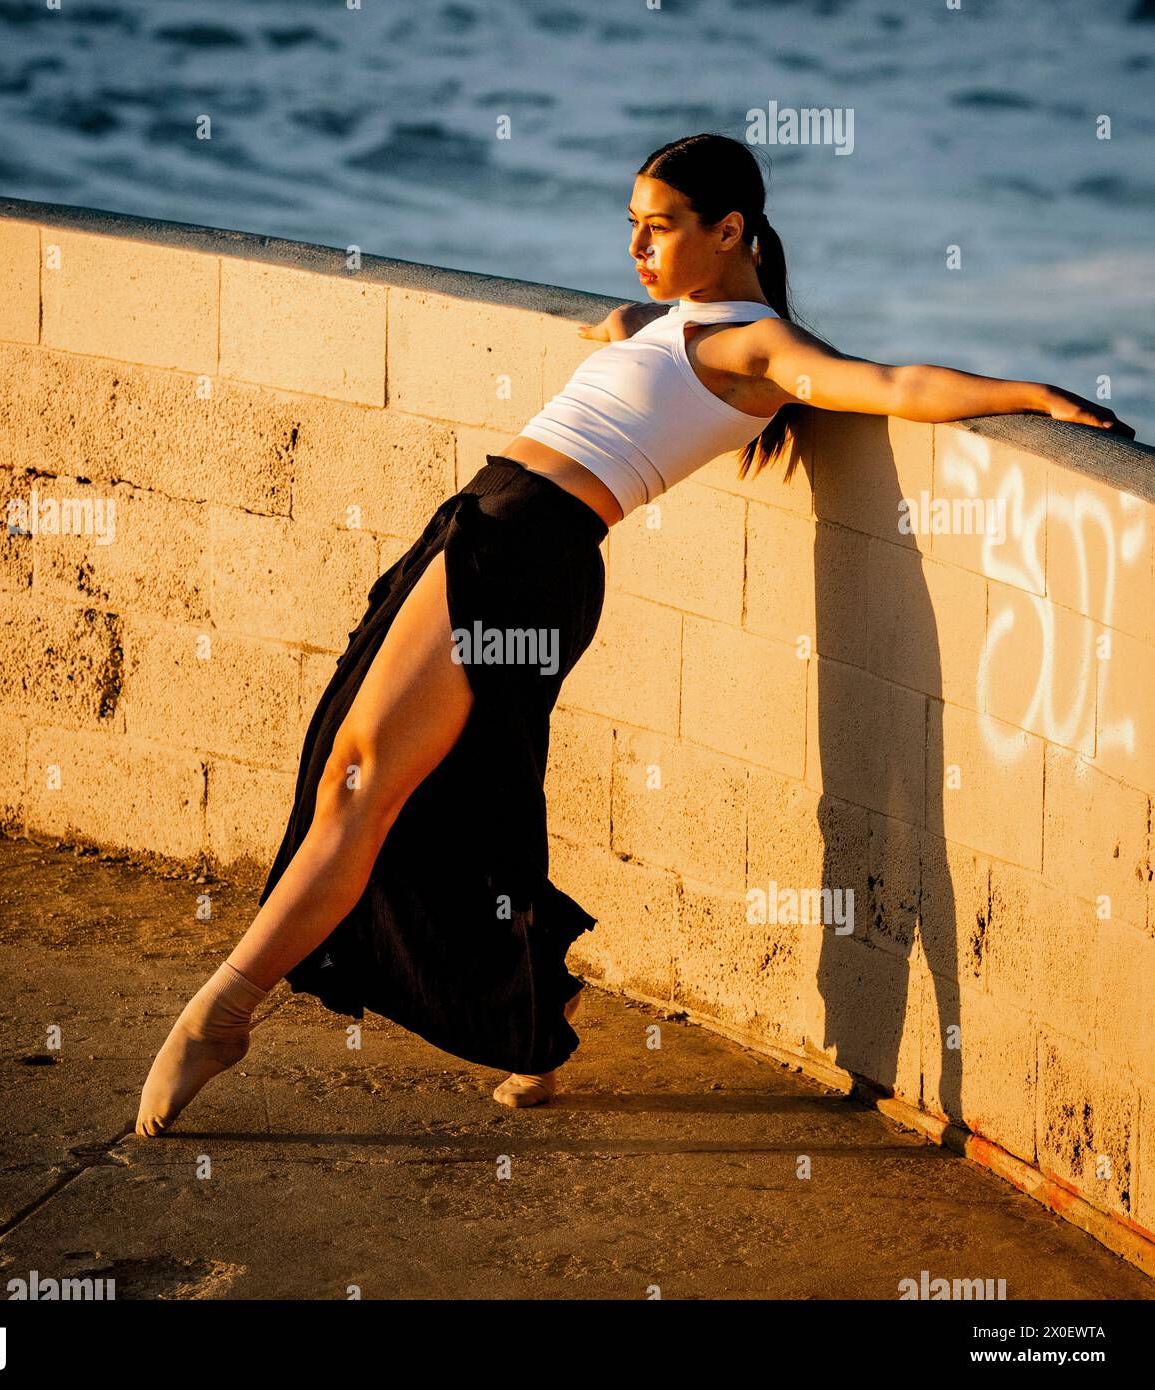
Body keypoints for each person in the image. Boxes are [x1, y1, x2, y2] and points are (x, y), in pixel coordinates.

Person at [135, 131, 1132, 1136]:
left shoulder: (757, 347)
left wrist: (1028, 395)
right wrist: (634, 323)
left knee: (361, 782)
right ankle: (532, 1015)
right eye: (631, 227)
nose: (637, 248)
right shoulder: (674, 318)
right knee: (423, 791)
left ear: (729, 229)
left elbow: (887, 385)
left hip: (526, 551)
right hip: (480, 530)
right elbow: (636, 330)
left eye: (659, 228)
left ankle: (223, 1012)